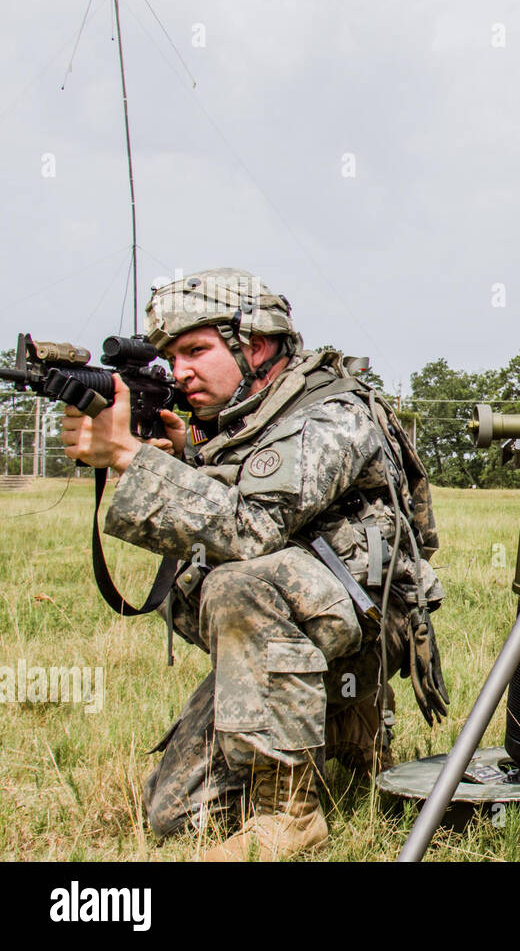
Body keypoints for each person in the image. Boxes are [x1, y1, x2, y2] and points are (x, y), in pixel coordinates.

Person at [61, 268, 447, 861]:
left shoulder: (333, 412)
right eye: (171, 356)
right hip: (304, 618)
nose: (179, 370)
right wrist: (178, 458)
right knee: (177, 816)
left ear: (257, 344)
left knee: (241, 583)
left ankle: (289, 814)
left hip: (374, 620)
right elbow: (241, 507)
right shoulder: (243, 418)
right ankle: (341, 714)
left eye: (195, 350)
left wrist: (130, 457)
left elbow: (252, 528)